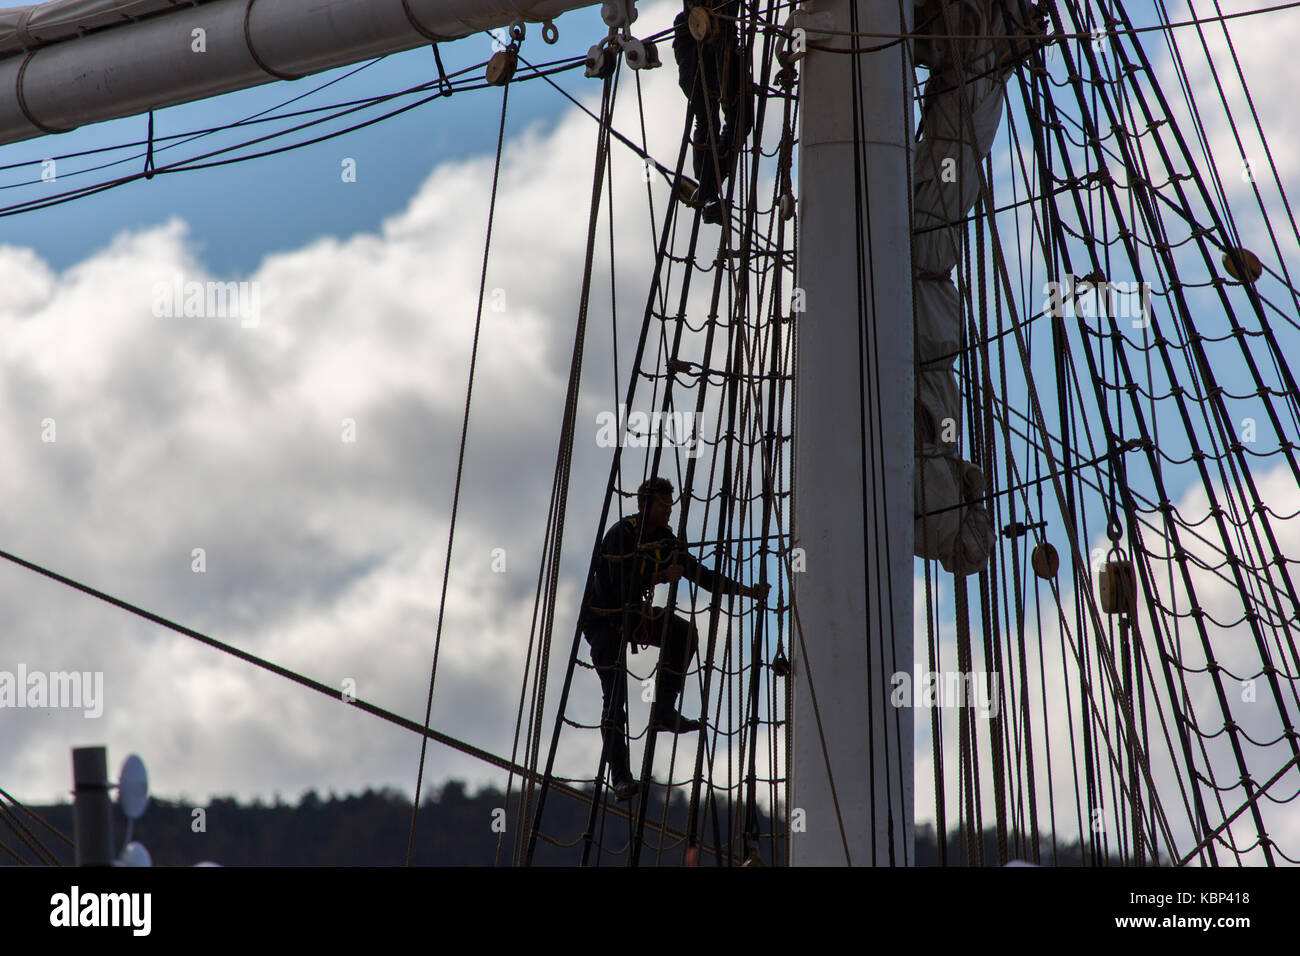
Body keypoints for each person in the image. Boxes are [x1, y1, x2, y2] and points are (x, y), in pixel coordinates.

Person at [580, 477, 768, 801]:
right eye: (663, 505)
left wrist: (747, 591)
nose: (669, 511)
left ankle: (664, 710)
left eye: (671, 505)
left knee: (683, 633)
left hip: (635, 617)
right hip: (604, 621)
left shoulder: (667, 541)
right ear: (644, 504)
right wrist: (659, 576)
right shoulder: (621, 535)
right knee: (614, 699)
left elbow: (702, 576)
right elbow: (619, 585)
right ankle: (621, 778)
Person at [673, 1, 753, 225]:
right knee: (707, 119)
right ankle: (708, 191)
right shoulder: (684, 23)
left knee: (741, 121)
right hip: (694, 36)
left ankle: (709, 186)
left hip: (724, 34)